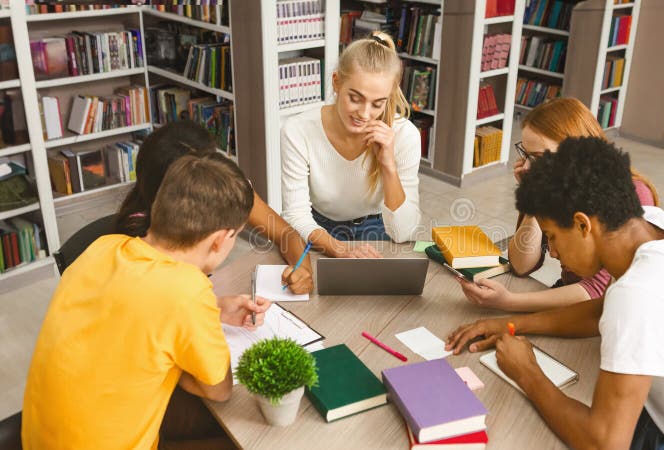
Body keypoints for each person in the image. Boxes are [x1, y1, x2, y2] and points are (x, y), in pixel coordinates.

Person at [446, 137, 664, 450]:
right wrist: (513, 326)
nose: (554, 252)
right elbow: (601, 310)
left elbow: (604, 442)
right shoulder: (657, 224)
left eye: (552, 236)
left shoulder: (641, 295)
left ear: (582, 225)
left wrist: (527, 373)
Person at [22, 153, 270, 449]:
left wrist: (215, 309)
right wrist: (181, 368)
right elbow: (220, 390)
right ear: (219, 240)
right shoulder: (187, 290)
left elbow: (132, 308)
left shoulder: (104, 247)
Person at [459, 98, 659, 312]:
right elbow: (521, 265)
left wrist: (509, 301)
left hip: (603, 312)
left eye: (537, 158)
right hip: (569, 296)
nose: (526, 166)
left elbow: (595, 292)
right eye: (525, 155)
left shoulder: (633, 196)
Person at [117, 120, 312, 294]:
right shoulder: (138, 248)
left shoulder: (224, 189)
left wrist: (302, 270)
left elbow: (286, 234)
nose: (216, 174)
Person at [281, 31, 421, 258]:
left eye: (378, 104)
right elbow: (296, 215)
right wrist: (340, 249)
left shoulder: (405, 136)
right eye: (355, 98)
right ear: (336, 82)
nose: (365, 114)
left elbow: (403, 232)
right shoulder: (298, 130)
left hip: (377, 225)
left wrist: (388, 165)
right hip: (318, 228)